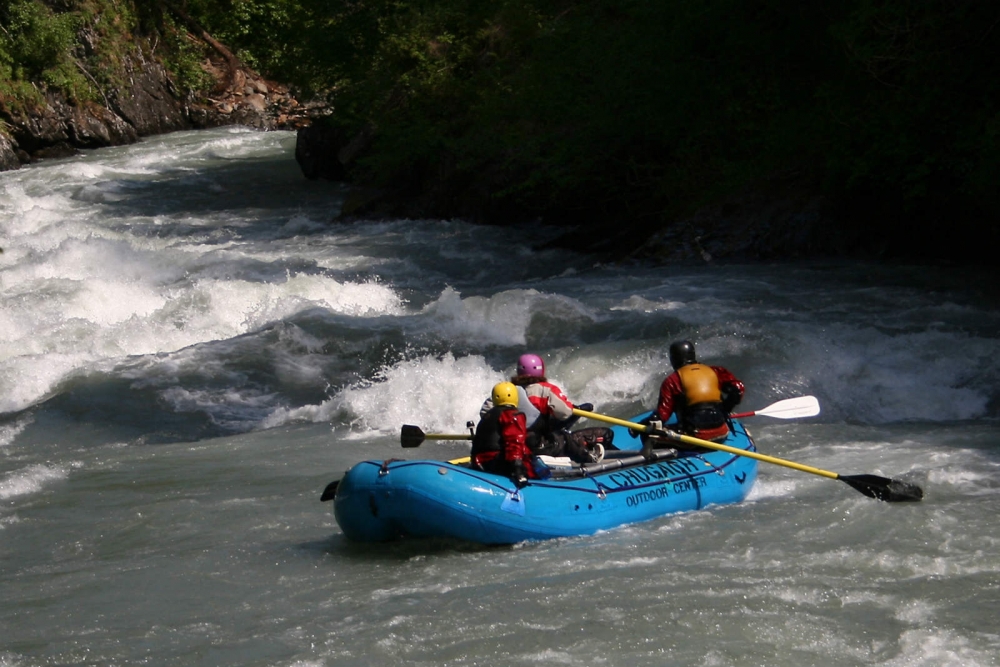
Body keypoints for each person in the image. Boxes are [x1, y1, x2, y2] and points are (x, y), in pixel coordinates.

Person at [480, 353, 610, 463]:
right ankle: (590, 458)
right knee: (567, 438)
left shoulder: (506, 390)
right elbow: (564, 413)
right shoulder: (546, 389)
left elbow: (485, 412)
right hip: (538, 445)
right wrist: (575, 409)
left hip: (509, 445)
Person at [650, 340, 744, 443]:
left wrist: (646, 424)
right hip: (722, 432)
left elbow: (662, 416)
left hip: (695, 437)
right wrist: (725, 410)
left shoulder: (672, 380)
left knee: (650, 435)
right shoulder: (715, 371)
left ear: (673, 359)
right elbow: (738, 389)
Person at [471, 381, 535, 484]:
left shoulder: (487, 416)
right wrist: (518, 469)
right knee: (531, 463)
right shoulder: (512, 415)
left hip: (480, 463)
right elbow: (515, 441)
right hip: (497, 464)